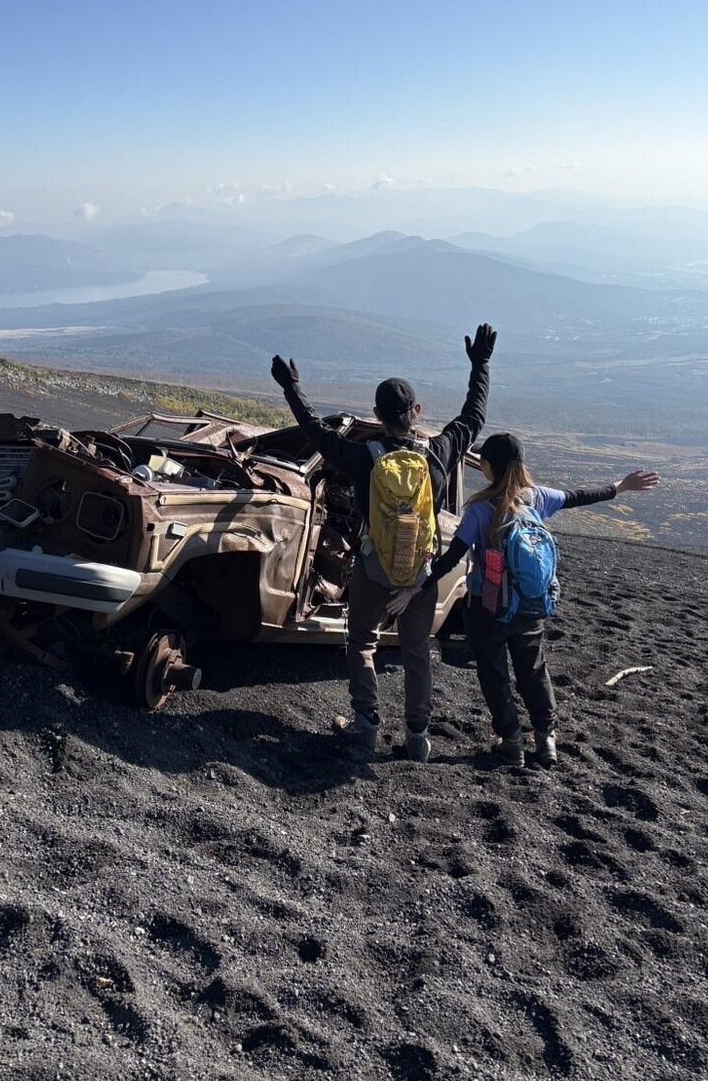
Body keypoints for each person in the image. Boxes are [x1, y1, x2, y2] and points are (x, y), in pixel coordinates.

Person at [270, 323, 497, 761]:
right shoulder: (439, 453)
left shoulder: (363, 457)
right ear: (417, 412)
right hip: (421, 575)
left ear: (376, 415)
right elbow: (474, 417)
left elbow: (316, 432)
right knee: (416, 652)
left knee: (362, 642)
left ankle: (367, 724)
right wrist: (480, 365)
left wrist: (291, 387)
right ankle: (417, 736)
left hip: (372, 569)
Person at [423, 431, 660, 768]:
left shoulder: (479, 509)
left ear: (487, 466)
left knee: (493, 673)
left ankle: (512, 742)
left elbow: (452, 557)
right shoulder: (536, 498)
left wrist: (417, 586)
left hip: (488, 607)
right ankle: (546, 740)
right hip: (530, 605)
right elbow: (579, 496)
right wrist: (621, 486)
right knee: (533, 670)